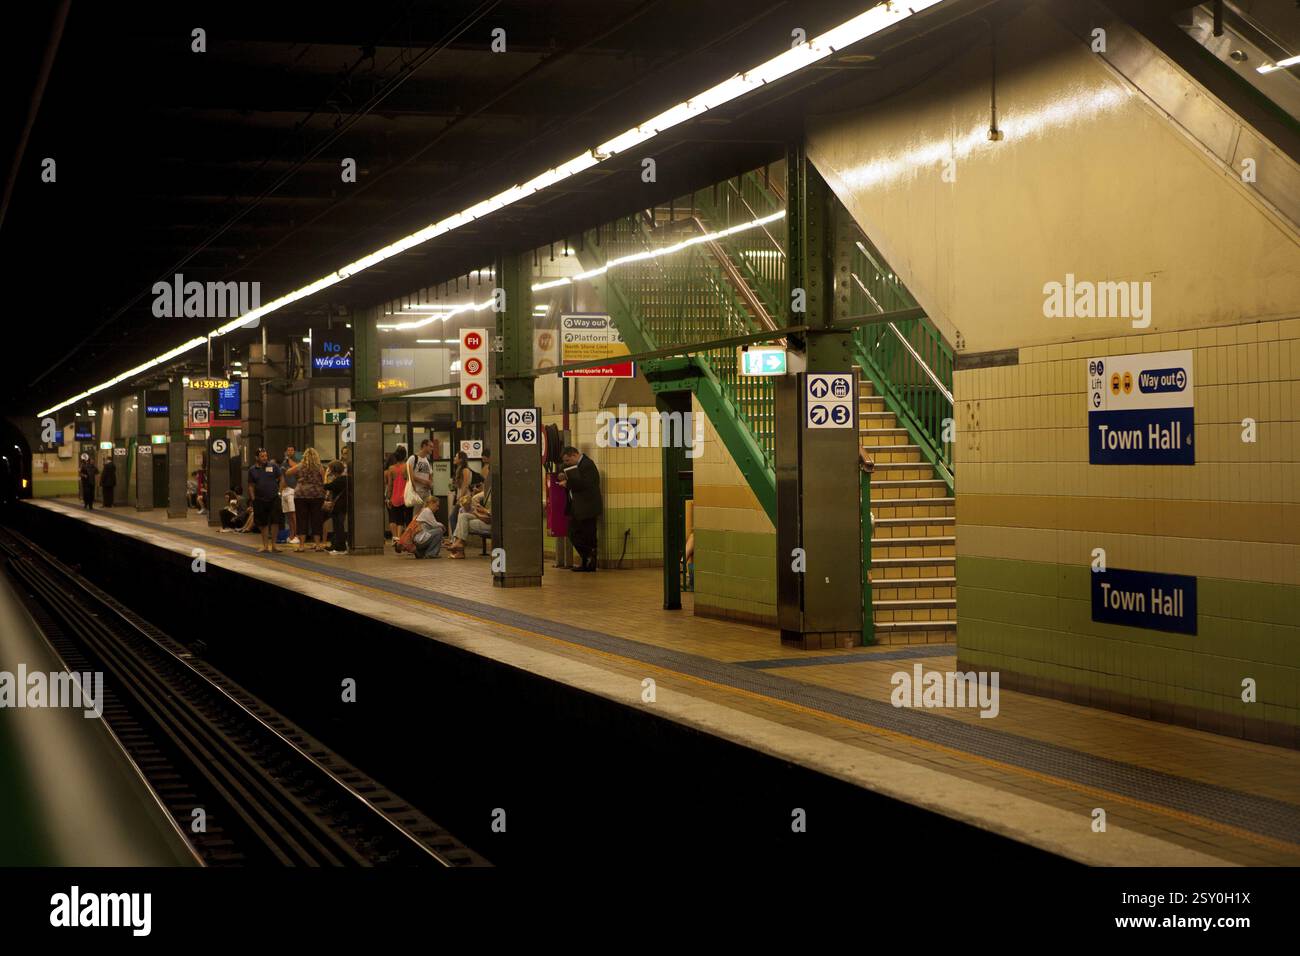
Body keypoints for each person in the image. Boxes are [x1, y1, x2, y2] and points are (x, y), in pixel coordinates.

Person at [558, 446, 601, 572]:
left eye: (568, 460)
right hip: (577, 507)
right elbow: (562, 469)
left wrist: (567, 484)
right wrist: (561, 475)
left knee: (588, 535)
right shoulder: (573, 465)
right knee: (573, 533)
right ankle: (587, 558)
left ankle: (589, 562)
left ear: (574, 455)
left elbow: (586, 484)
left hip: (588, 507)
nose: (566, 463)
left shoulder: (587, 465)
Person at [285, 447, 326, 552]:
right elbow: (324, 480)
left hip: (301, 495)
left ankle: (301, 546)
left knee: (301, 519)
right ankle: (317, 545)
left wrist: (297, 472)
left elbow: (288, 473)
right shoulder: (319, 467)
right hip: (317, 495)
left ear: (305, 456)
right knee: (316, 520)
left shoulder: (300, 466)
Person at [246, 448, 284, 553]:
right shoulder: (252, 470)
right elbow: (250, 485)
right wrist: (253, 498)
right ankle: (265, 546)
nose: (265, 458)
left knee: (275, 521)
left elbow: (282, 479)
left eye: (266, 456)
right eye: (262, 456)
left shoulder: (273, 466)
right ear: (256, 457)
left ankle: (274, 545)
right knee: (263, 523)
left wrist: (279, 493)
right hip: (259, 499)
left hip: (274, 498)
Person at [446, 481, 491, 558]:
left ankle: (458, 546)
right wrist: (480, 510)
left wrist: (479, 513)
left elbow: (489, 519)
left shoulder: (496, 498)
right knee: (462, 516)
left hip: (489, 524)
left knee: (462, 522)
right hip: (484, 517)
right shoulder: (489, 494)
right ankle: (458, 544)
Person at [386, 445, 411, 549]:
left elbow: (390, 485)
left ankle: (395, 538)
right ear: (405, 456)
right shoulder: (407, 467)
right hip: (405, 496)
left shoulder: (391, 469)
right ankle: (400, 538)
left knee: (395, 518)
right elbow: (410, 482)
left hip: (395, 497)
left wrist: (388, 498)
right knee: (403, 519)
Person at [323, 459, 349, 554]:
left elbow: (326, 486)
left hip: (338, 506)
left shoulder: (339, 480)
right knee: (338, 526)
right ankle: (335, 545)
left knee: (338, 526)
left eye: (329, 468)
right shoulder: (345, 479)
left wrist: (326, 475)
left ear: (333, 470)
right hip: (342, 505)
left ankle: (340, 547)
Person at [408, 439, 433, 515]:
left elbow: (430, 475)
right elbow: (409, 475)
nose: (432, 449)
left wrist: (430, 484)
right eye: (430, 446)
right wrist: (423, 481)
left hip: (427, 492)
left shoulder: (427, 460)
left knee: (427, 514)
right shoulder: (413, 458)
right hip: (418, 491)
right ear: (424, 446)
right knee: (417, 515)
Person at [280, 445, 300, 544]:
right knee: (288, 515)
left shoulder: (298, 462)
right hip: (285, 490)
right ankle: (291, 534)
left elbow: (299, 474)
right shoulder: (284, 463)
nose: (290, 452)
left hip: (293, 490)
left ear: (294, 452)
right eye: (288, 450)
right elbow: (282, 477)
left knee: (293, 514)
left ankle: (296, 535)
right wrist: (280, 490)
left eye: (292, 450)